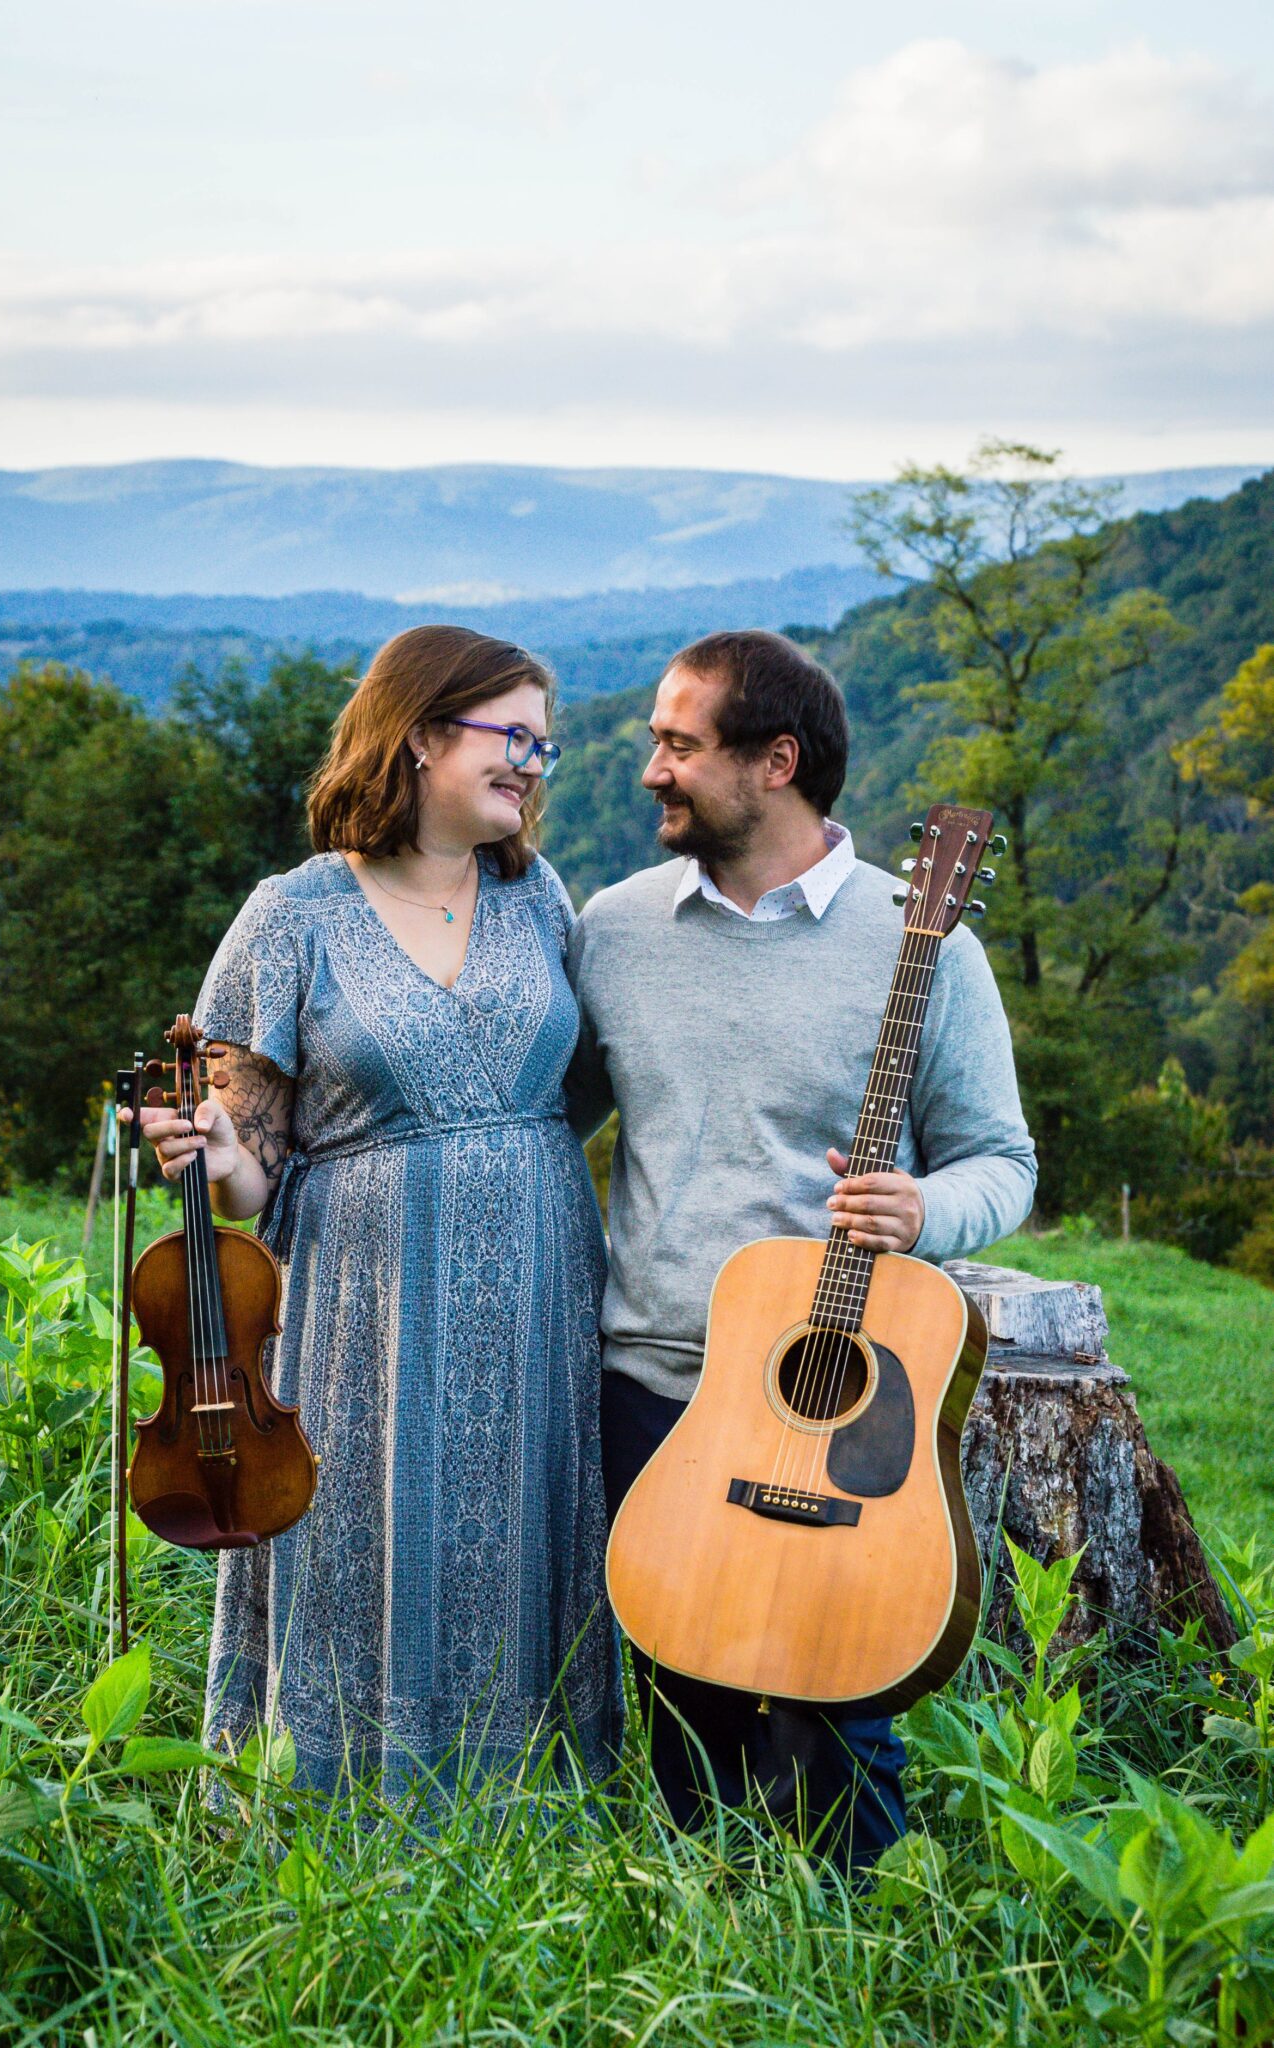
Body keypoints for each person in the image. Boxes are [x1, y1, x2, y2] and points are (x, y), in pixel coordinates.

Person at [565, 629, 1037, 1877]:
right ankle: (693, 1946)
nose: (651, 770)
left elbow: (1006, 1161)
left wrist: (921, 1212)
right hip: (655, 1383)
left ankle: (853, 1959)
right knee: (682, 1713)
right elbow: (537, 1124)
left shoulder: (923, 940)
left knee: (834, 1720)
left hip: (841, 1406)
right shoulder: (613, 929)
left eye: (678, 744)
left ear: (776, 761)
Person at [132, 625, 622, 1804]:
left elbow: (588, 1084)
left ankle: (539, 1806)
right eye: (513, 736)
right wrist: (210, 1154)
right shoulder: (291, 914)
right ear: (418, 734)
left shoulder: (538, 896)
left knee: (527, 1527)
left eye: (541, 743)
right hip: (365, 1286)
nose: (534, 763)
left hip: (541, 1282)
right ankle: (342, 1801)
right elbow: (252, 1171)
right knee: (362, 1523)